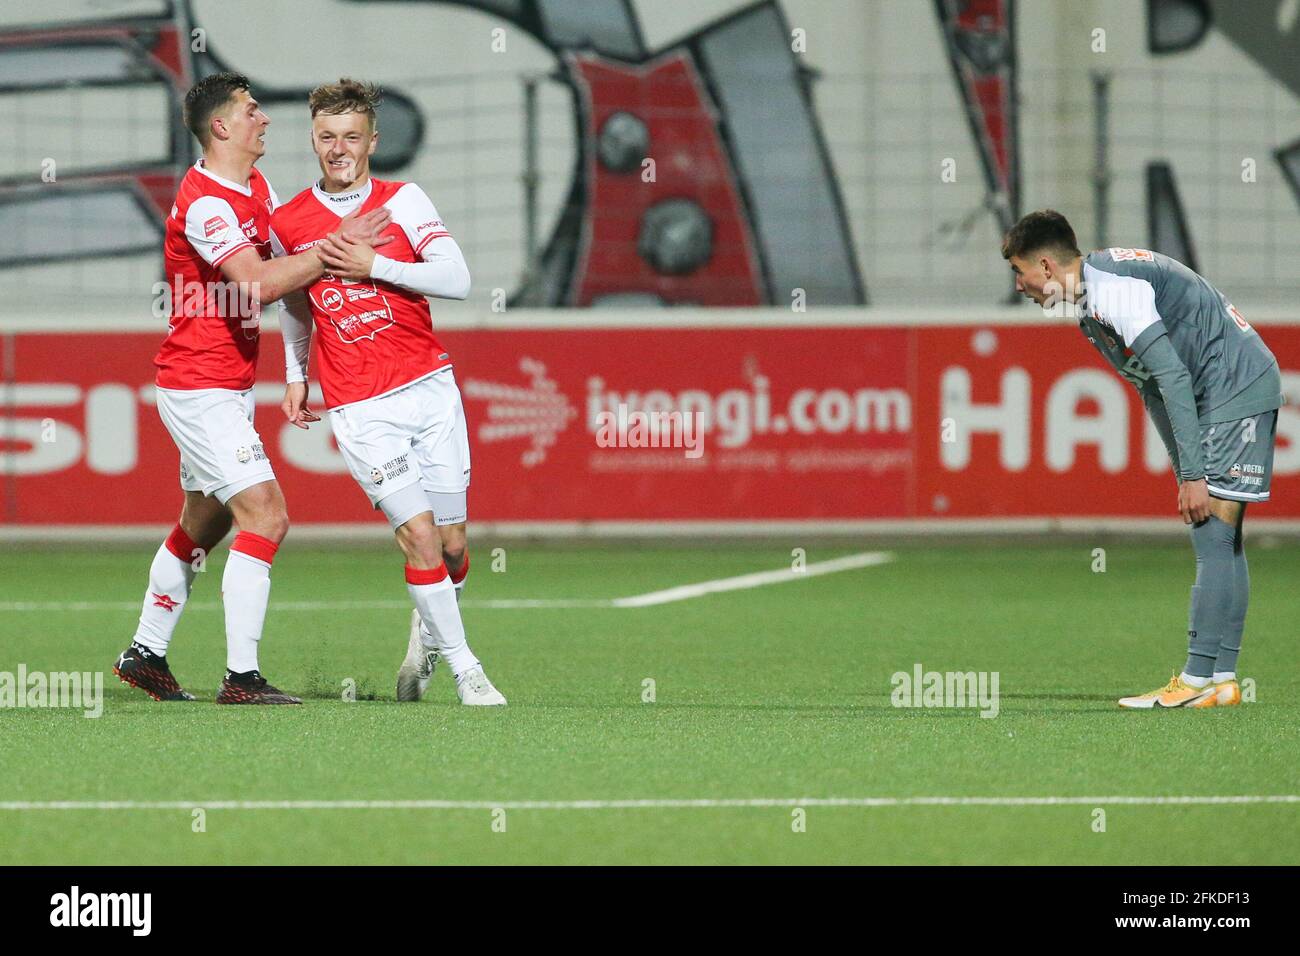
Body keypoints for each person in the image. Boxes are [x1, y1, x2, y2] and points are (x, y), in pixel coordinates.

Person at [115, 72, 390, 705]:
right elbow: (256, 284)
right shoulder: (209, 203)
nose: (264, 118)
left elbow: (283, 269)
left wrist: (296, 371)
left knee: (201, 525)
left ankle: (146, 652)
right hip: (199, 386)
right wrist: (341, 248)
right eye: (251, 110)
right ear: (221, 127)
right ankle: (242, 679)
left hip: (225, 384)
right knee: (266, 514)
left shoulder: (253, 186)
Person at [270, 78, 505, 706]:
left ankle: (424, 639)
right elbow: (294, 301)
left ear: (373, 141)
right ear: (313, 140)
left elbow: (456, 278)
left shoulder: (405, 200)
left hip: (430, 390)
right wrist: (296, 374)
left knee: (453, 545)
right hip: (359, 405)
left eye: (351, 136)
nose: (338, 148)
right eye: (326, 137)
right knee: (420, 535)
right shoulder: (288, 222)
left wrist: (374, 267)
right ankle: (467, 671)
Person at [1002, 209, 1283, 709]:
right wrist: (1184, 467)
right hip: (1227, 387)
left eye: (1019, 271)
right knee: (1225, 536)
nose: (1020, 285)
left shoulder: (1111, 292)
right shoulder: (1089, 301)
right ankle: (1221, 680)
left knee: (1214, 532)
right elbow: (1149, 385)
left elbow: (1171, 377)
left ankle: (1196, 681)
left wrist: (1194, 475)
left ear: (1046, 266)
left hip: (1234, 387)